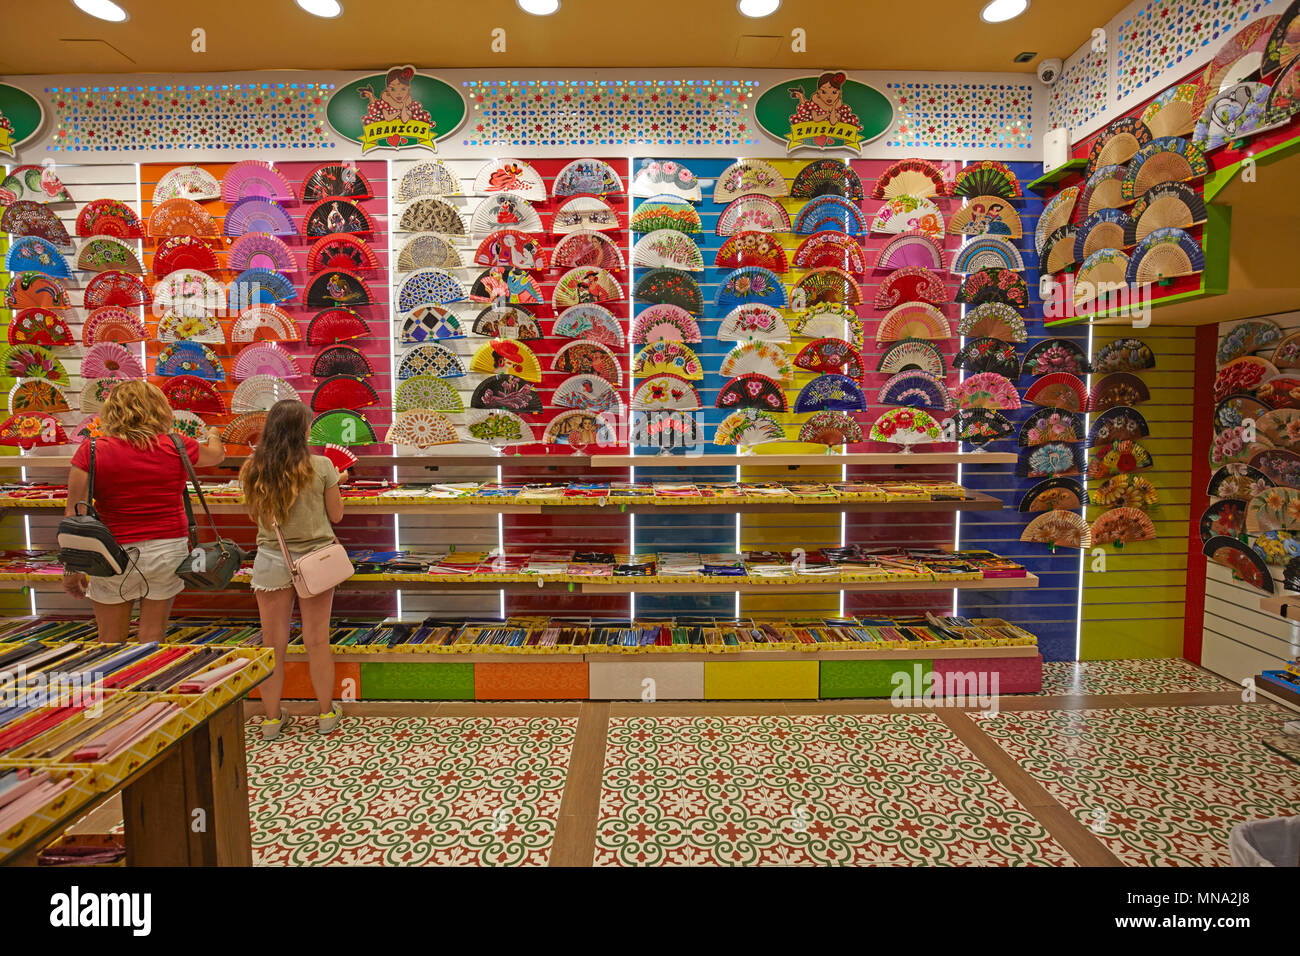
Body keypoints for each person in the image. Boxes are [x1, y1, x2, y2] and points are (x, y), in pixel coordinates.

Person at [62, 380, 226, 641]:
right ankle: (146, 680)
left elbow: (74, 514)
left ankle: (114, 681)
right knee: (152, 636)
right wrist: (214, 436)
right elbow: (216, 456)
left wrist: (71, 569)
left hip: (111, 551)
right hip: (167, 549)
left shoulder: (92, 451)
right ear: (159, 409)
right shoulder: (177, 445)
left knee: (110, 641)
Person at [239, 399, 346, 740]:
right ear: (304, 429)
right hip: (316, 561)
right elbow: (337, 515)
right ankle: (326, 713)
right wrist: (337, 482)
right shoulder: (323, 466)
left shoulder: (253, 468)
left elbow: (255, 516)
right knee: (317, 640)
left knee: (273, 645)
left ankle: (271, 720)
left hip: (271, 560)